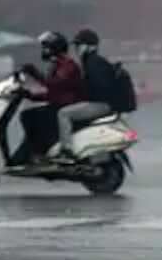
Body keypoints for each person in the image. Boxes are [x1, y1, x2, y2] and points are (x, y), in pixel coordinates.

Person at [12, 31, 84, 165]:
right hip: (58, 104)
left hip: (66, 106)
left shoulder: (67, 64)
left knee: (33, 117)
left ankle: (39, 152)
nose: (44, 51)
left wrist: (35, 74)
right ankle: (31, 152)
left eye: (46, 47)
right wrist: (28, 95)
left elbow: (56, 84)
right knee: (28, 115)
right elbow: (52, 93)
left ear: (55, 48)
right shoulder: (57, 65)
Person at [49, 27, 116, 159]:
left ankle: (66, 150)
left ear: (90, 46)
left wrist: (81, 94)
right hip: (100, 103)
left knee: (63, 114)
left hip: (100, 104)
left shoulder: (93, 62)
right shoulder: (92, 61)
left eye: (79, 45)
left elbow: (99, 86)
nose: (77, 49)